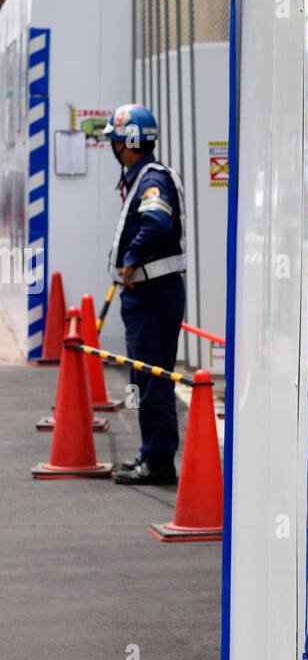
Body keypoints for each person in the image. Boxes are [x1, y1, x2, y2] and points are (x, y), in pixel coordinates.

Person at [102, 104, 187, 485]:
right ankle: (148, 452)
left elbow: (155, 224)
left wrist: (131, 259)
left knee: (152, 379)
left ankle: (159, 460)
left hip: (154, 295)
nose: (113, 146)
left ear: (128, 142)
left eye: (115, 139)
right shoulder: (139, 178)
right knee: (140, 378)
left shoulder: (151, 179)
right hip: (144, 298)